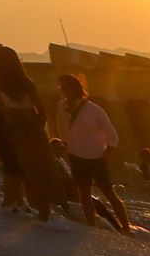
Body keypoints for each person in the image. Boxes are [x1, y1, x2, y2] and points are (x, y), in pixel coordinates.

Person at [0, 33, 57, 220]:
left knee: (14, 161)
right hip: (7, 118)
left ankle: (17, 201)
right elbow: (6, 103)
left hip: (3, 117)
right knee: (17, 161)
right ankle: (16, 201)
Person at [55, 73, 131, 233]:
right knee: (84, 194)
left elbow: (112, 137)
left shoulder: (95, 110)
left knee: (109, 194)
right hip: (76, 156)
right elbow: (62, 131)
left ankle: (126, 228)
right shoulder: (62, 107)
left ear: (75, 88)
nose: (62, 89)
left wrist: (106, 156)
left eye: (65, 86)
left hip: (96, 157)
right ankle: (92, 227)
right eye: (61, 86)